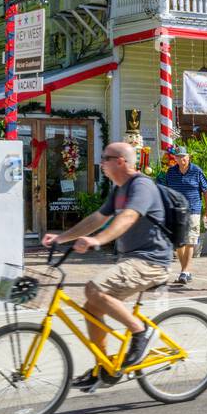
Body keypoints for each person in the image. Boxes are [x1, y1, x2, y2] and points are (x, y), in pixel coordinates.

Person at [42, 142, 170, 393]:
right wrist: (61, 238)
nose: (101, 162)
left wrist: (98, 240)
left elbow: (129, 217)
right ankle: (103, 367)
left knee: (94, 289)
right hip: (131, 261)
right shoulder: (119, 189)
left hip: (151, 261)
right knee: (92, 307)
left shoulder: (141, 186)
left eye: (106, 158)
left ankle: (140, 332)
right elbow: (96, 219)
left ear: (121, 161)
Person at [157, 145, 207, 286]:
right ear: (175, 158)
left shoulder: (196, 171)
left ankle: (185, 271)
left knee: (190, 240)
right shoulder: (171, 172)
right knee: (178, 242)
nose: (181, 159)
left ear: (188, 157)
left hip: (193, 209)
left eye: (184, 157)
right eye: (179, 157)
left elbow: (206, 191)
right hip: (176, 210)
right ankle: (185, 271)